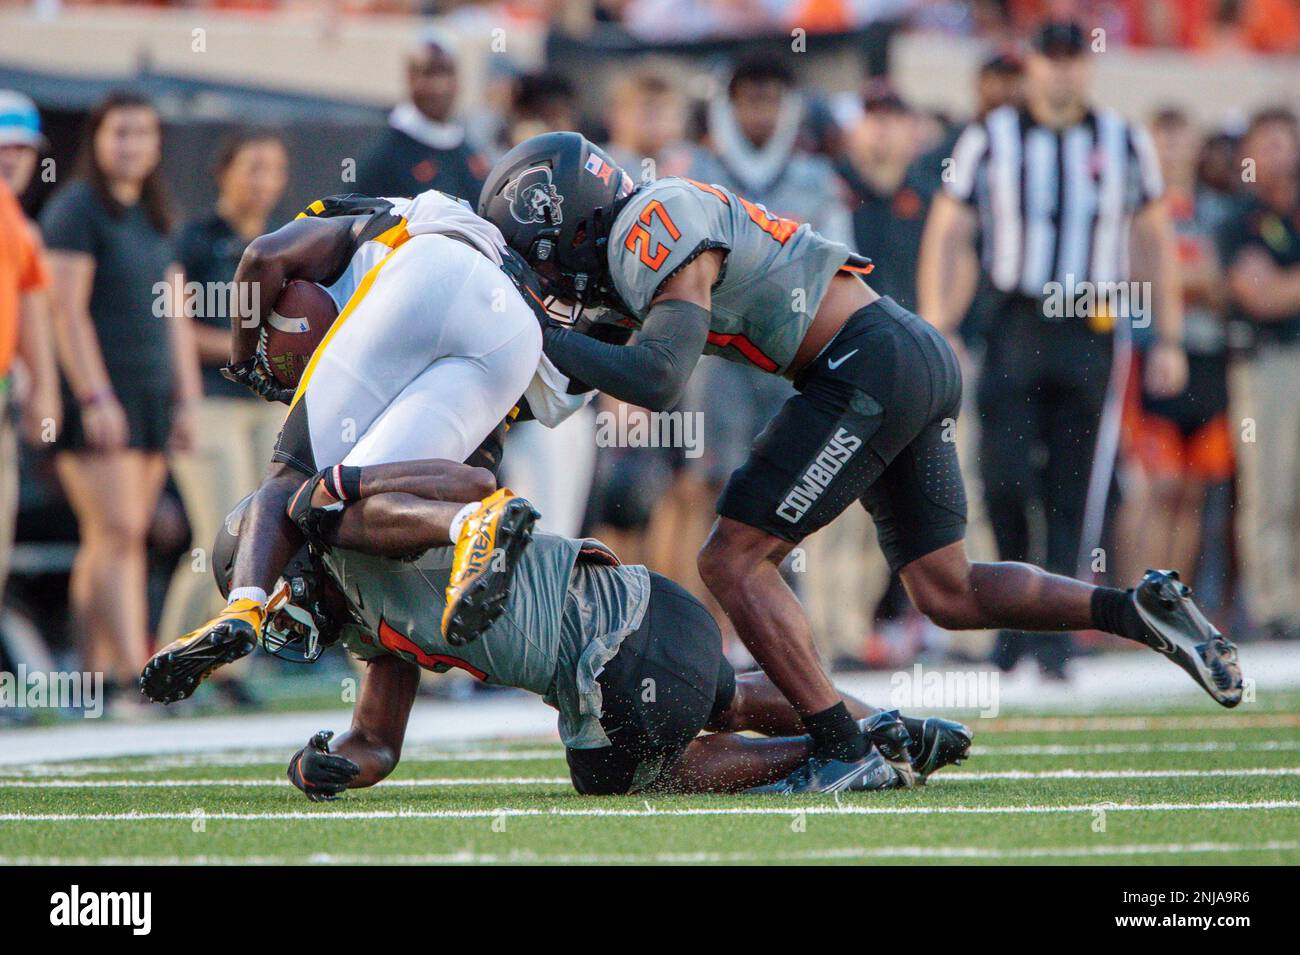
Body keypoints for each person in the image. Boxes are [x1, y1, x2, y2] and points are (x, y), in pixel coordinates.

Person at [477, 128, 1243, 792]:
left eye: (537, 262)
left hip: (866, 362)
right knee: (948, 589)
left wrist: (531, 324)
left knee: (734, 560)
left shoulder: (654, 218)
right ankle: (1135, 607)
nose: (547, 282)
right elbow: (573, 374)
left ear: (565, 226)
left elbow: (658, 377)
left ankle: (846, 747)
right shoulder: (638, 235)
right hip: (895, 354)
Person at [203, 460, 971, 798]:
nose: (283, 611)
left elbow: (473, 482)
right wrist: (328, 767)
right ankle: (880, 727)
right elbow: (377, 740)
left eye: (273, 591)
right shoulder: (366, 626)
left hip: (615, 649)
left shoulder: (358, 530)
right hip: (658, 613)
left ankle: (831, 751)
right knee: (720, 699)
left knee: (612, 776)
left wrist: (352, 485)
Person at [136, 187, 586, 703]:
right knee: (352, 499)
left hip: (423, 273)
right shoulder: (442, 250)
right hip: (517, 334)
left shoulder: (353, 229)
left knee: (292, 479)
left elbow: (262, 255)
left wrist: (245, 360)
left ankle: (243, 605)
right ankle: (471, 526)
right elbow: (476, 479)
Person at [917, 21, 1188, 679]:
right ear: (1032, 65)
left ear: (1087, 67)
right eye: (1051, 58)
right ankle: (1013, 621)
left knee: (1076, 486)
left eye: (1074, 59)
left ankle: (1061, 632)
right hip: (1016, 318)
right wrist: (935, 321)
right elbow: (948, 229)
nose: (1063, 72)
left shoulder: (1123, 140)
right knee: (1004, 474)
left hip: (1093, 322)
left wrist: (1169, 337)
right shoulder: (992, 137)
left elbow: (1154, 238)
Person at [40, 91, 200, 707]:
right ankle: (136, 670)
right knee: (119, 528)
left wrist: (186, 397)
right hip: (102, 395)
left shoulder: (159, 213)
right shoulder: (76, 210)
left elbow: (176, 316)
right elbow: (64, 312)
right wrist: (93, 392)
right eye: (120, 132)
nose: (132, 144)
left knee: (113, 538)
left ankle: (94, 673)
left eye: (143, 132)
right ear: (97, 140)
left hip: (152, 393)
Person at [156, 130, 290, 674]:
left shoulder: (288, 240)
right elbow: (177, 327)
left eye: (273, 168)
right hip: (210, 402)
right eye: (251, 166)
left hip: (268, 403)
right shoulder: (193, 239)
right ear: (224, 172)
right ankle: (170, 657)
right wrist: (246, 344)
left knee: (267, 535)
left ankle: (226, 669)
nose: (262, 180)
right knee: (220, 534)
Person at [1117, 109, 1234, 599]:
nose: (1173, 152)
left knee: (1191, 489)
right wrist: (1189, 281)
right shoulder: (1131, 211)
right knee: (1153, 485)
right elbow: (1133, 280)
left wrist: (1177, 281)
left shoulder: (1217, 212)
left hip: (1206, 356)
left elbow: (1228, 284)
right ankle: (1127, 603)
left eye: (1181, 141)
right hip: (1148, 357)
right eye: (1163, 142)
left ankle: (1170, 603)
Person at [1218, 107, 1300, 640]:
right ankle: (1273, 605)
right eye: (1264, 144)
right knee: (1269, 485)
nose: (1276, 154)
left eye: (1284, 142)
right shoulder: (1238, 219)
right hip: (1268, 363)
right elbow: (1261, 296)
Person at [0, 91, 60, 623]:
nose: (13, 159)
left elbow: (30, 308)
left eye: (22, 150)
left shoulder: (20, 223)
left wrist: (39, 382)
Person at [355, 29, 489, 203]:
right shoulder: (385, 156)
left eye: (446, 72)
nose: (440, 86)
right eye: (428, 73)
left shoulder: (467, 149)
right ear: (410, 77)